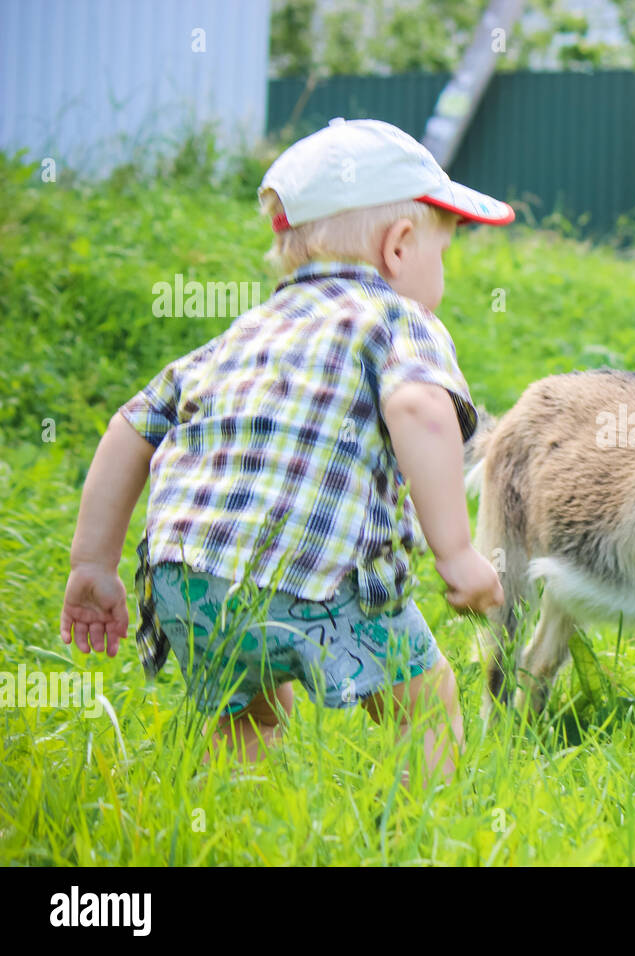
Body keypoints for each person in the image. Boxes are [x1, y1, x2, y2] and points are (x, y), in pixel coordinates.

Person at [59, 118, 511, 788]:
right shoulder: (397, 319)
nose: (439, 276)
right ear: (400, 245)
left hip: (194, 577)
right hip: (323, 575)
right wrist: (457, 553)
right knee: (424, 706)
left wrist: (93, 563)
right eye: (441, 255)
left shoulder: (245, 332)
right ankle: (425, 832)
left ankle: (232, 823)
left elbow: (131, 425)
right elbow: (420, 409)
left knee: (249, 716)